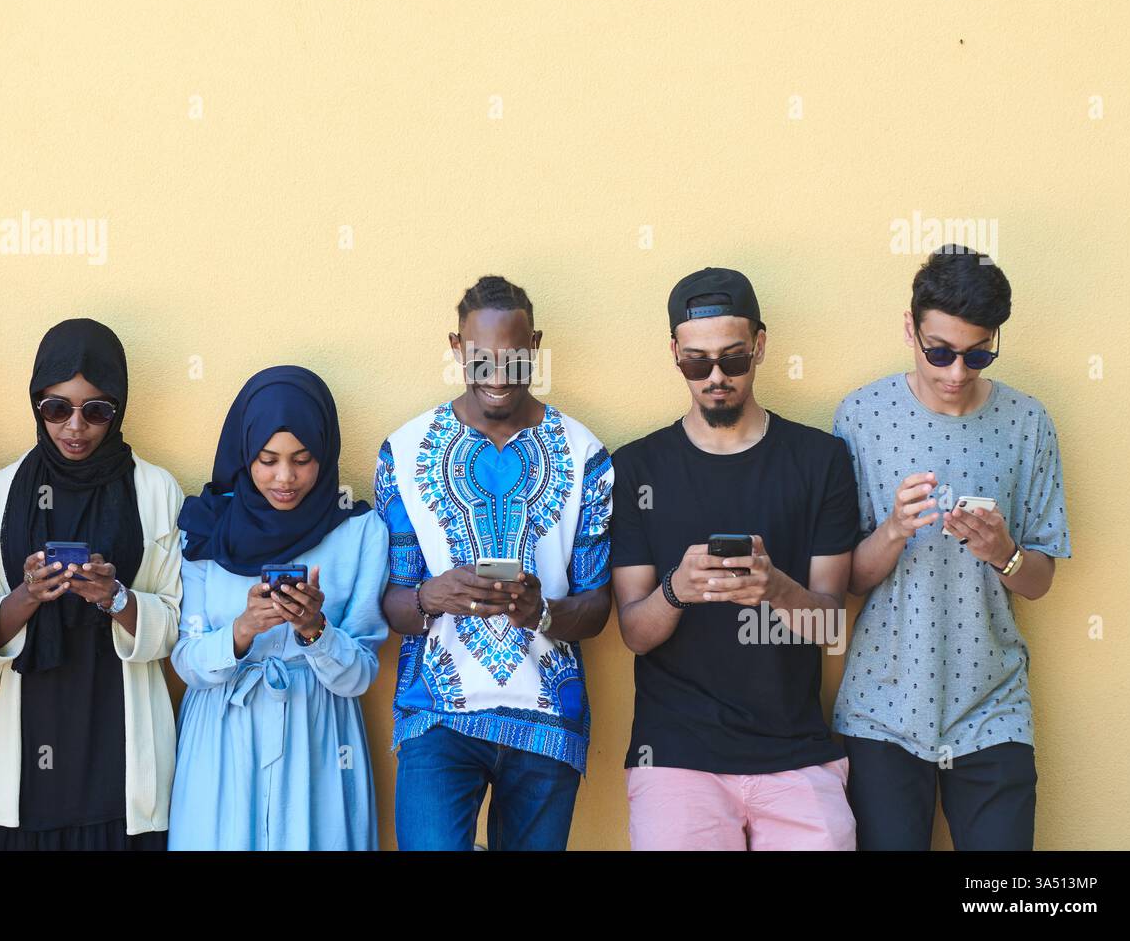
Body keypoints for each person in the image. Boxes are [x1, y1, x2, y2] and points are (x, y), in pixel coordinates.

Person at [610, 267, 859, 851]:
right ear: (675, 354)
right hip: (675, 756)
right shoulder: (637, 468)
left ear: (761, 346)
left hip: (796, 751)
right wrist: (676, 590)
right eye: (697, 362)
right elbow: (634, 633)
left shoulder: (820, 459)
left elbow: (828, 628)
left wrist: (775, 589)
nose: (716, 377)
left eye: (733, 358)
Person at [832, 246, 1070, 850]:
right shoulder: (861, 415)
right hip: (881, 704)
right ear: (909, 327)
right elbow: (846, 581)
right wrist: (892, 530)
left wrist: (1003, 552)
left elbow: (1039, 579)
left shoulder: (1028, 421)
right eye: (938, 351)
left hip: (994, 706)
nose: (956, 372)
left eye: (978, 353)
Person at [375, 275, 613, 851]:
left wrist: (543, 613)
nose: (498, 376)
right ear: (456, 348)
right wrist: (433, 596)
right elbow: (392, 604)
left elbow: (599, 605)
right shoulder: (403, 452)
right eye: (481, 359)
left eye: (513, 358)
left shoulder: (585, 454)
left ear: (535, 345)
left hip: (547, 718)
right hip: (438, 715)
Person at [0, 319, 183, 850]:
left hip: (116, 737)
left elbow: (174, 626)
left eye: (95, 410)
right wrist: (27, 596)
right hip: (19, 737)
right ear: (37, 404)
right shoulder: (1, 490)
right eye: (57, 407)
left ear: (118, 409)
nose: (74, 426)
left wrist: (116, 597)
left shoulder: (154, 490)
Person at [169, 366, 388, 850]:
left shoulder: (359, 532)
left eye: (303, 459)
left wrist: (316, 631)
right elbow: (186, 661)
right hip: (222, 734)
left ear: (325, 454)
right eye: (267, 460)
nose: (284, 478)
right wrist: (242, 631)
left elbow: (359, 676)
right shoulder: (207, 528)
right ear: (245, 453)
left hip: (319, 736)